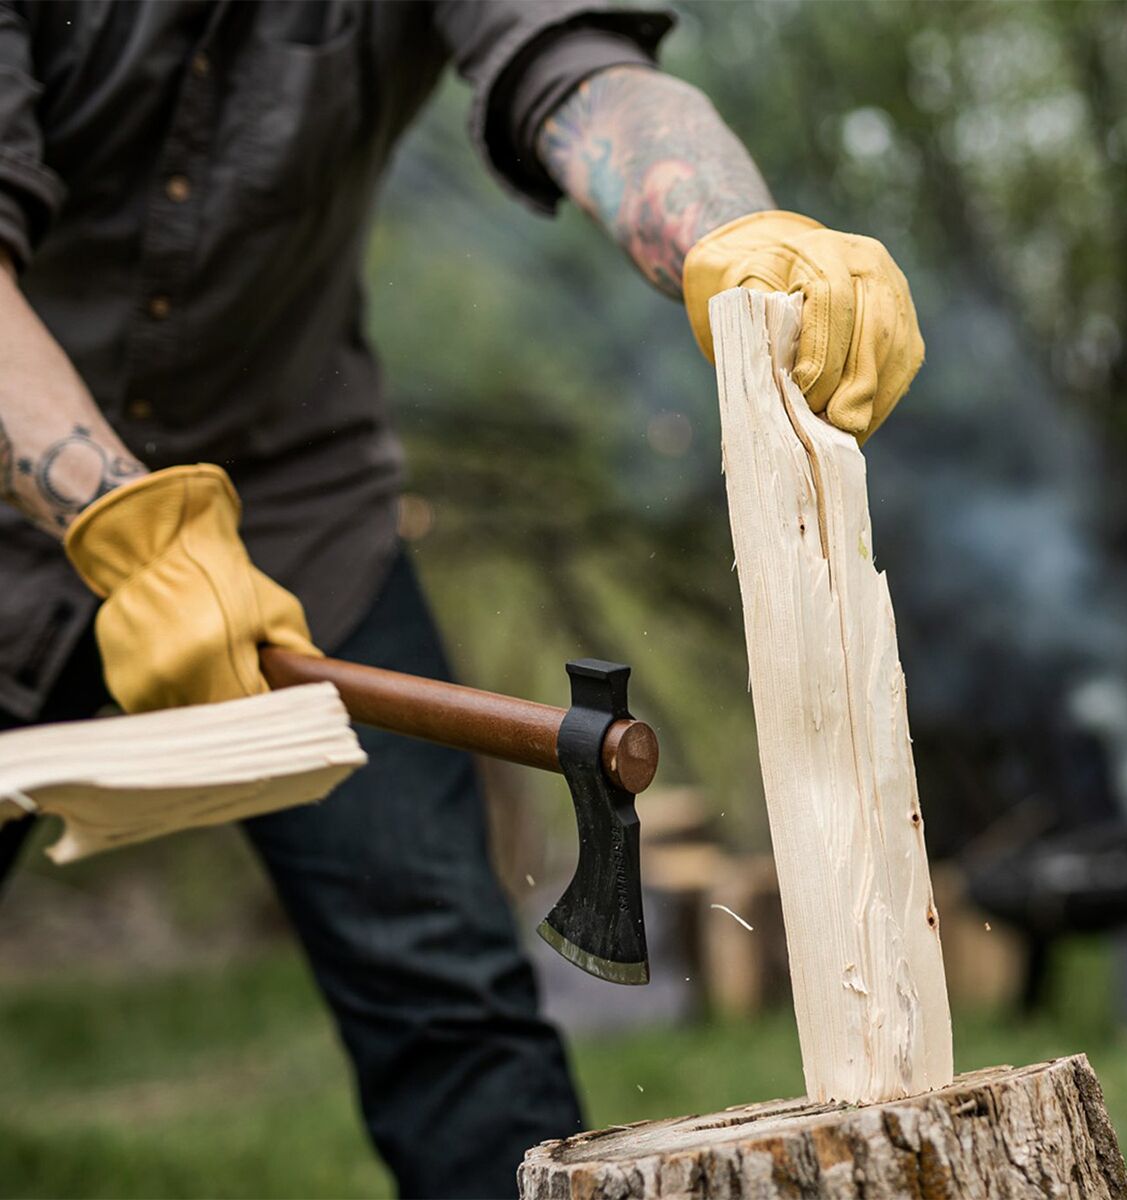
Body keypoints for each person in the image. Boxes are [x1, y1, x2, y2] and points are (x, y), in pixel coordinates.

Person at [0, 2, 924, 1195]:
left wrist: (737, 237)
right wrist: (120, 517)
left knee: (448, 990)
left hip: (291, 505)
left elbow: (573, 66)